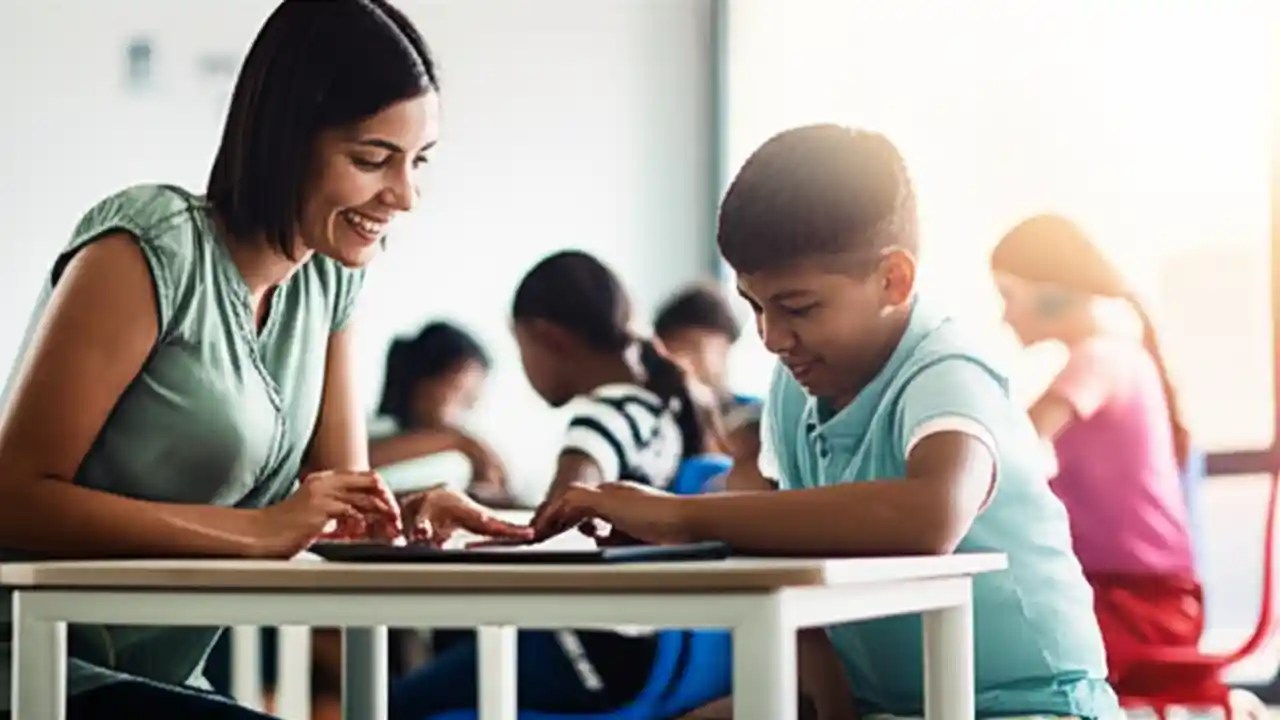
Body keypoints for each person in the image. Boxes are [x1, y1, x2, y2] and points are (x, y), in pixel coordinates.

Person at [0, 3, 527, 718]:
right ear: (287, 142)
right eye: (372, 159)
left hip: (159, 681)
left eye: (418, 162)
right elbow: (14, 497)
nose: (404, 195)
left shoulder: (328, 279)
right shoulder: (151, 246)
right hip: (38, 666)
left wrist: (419, 524)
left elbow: (340, 506)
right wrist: (256, 529)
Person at [535, 126, 1119, 719]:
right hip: (879, 705)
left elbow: (931, 516)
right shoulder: (795, 386)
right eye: (755, 306)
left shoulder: (947, 365)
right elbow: (795, 580)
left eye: (799, 308)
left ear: (894, 279)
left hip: (1028, 705)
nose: (771, 337)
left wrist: (677, 514)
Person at [390, 250, 720, 716]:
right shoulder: (662, 409)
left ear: (548, 338)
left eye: (521, 347)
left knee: (391, 704)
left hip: (588, 656)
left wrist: (464, 511)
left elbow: (566, 515)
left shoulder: (603, 413)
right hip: (646, 658)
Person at [991, 214, 1200, 697]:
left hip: (1139, 606)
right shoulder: (1116, 355)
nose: (1004, 317)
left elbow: (1014, 441)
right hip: (1142, 599)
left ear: (1052, 293)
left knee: (996, 653)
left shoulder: (1099, 358)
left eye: (1009, 296)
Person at [371, 321, 511, 504]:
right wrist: (460, 442)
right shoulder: (376, 431)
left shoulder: (454, 453)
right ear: (423, 383)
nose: (468, 410)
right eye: (461, 395)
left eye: (471, 400)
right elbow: (361, 458)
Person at [655, 283, 763, 471]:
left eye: (692, 346)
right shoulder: (655, 420)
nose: (680, 361)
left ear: (726, 347)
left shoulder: (760, 418)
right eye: (671, 349)